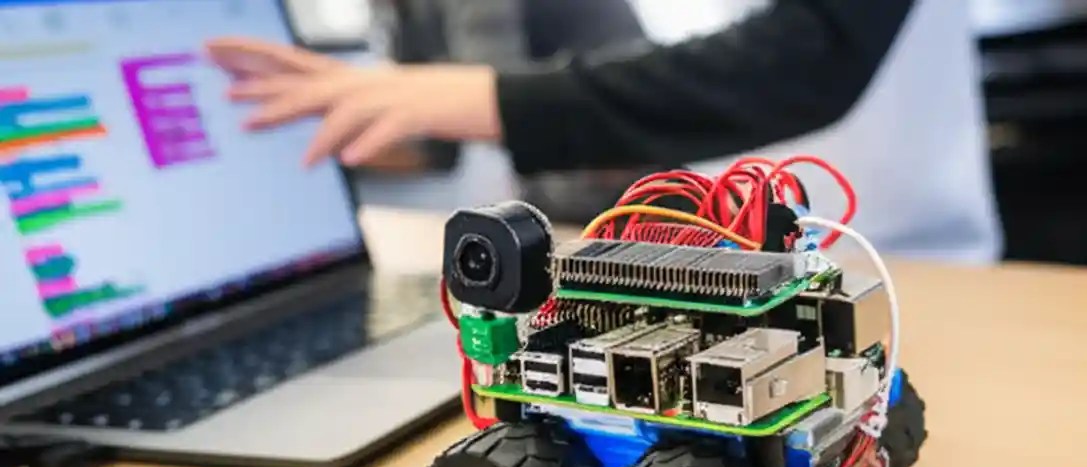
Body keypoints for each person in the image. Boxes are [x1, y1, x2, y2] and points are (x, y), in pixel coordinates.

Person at [207, 0, 1003, 263]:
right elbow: (442, 119)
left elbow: (809, 54)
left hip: (889, 259)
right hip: (624, 267)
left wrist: (475, 98)